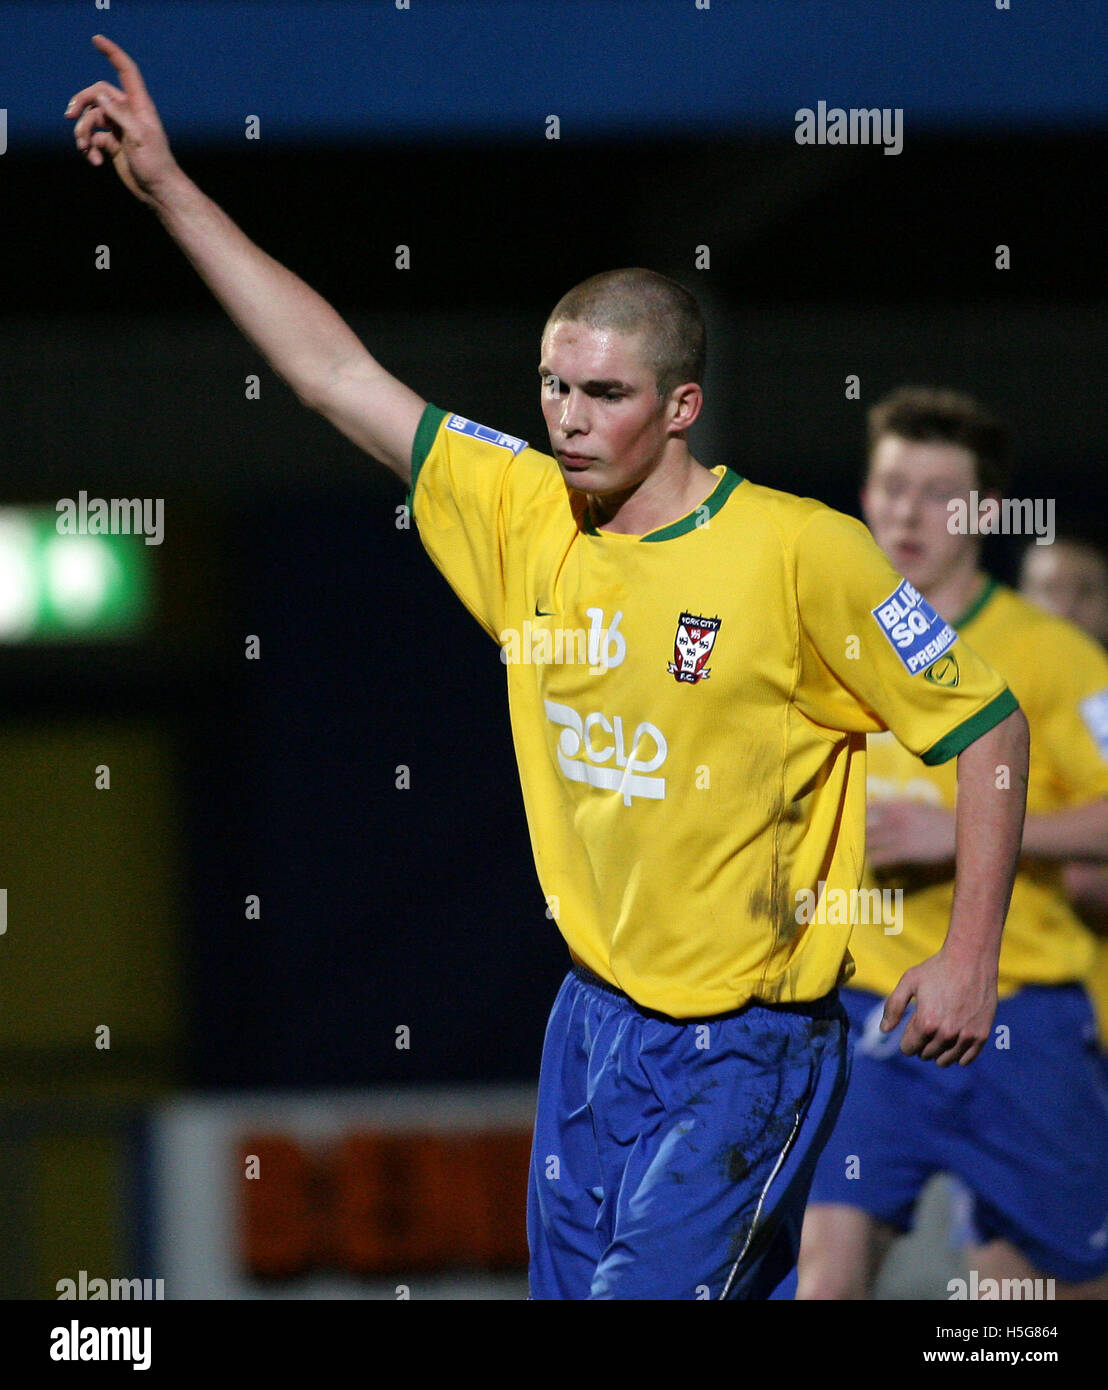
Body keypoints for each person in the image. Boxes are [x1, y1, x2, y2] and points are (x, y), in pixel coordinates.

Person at [67, 37, 1030, 1300]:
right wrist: (170, 189)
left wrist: (968, 956)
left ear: (680, 407)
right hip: (592, 1027)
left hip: (749, 1045)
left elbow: (990, 732)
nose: (567, 417)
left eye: (603, 392)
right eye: (551, 388)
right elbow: (330, 374)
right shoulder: (521, 508)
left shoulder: (803, 554)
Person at [795, 388, 1108, 1301]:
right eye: (891, 485)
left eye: (939, 493)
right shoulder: (822, 641)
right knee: (824, 1275)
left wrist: (966, 837)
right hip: (866, 1015)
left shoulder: (1056, 657)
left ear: (990, 512)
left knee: (1028, 1304)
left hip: (1023, 1024)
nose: (905, 512)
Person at [1019, 533, 1108, 1047]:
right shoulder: (984, 709)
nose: (1065, 607)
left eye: (1085, 591)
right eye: (1048, 588)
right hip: (1034, 1012)